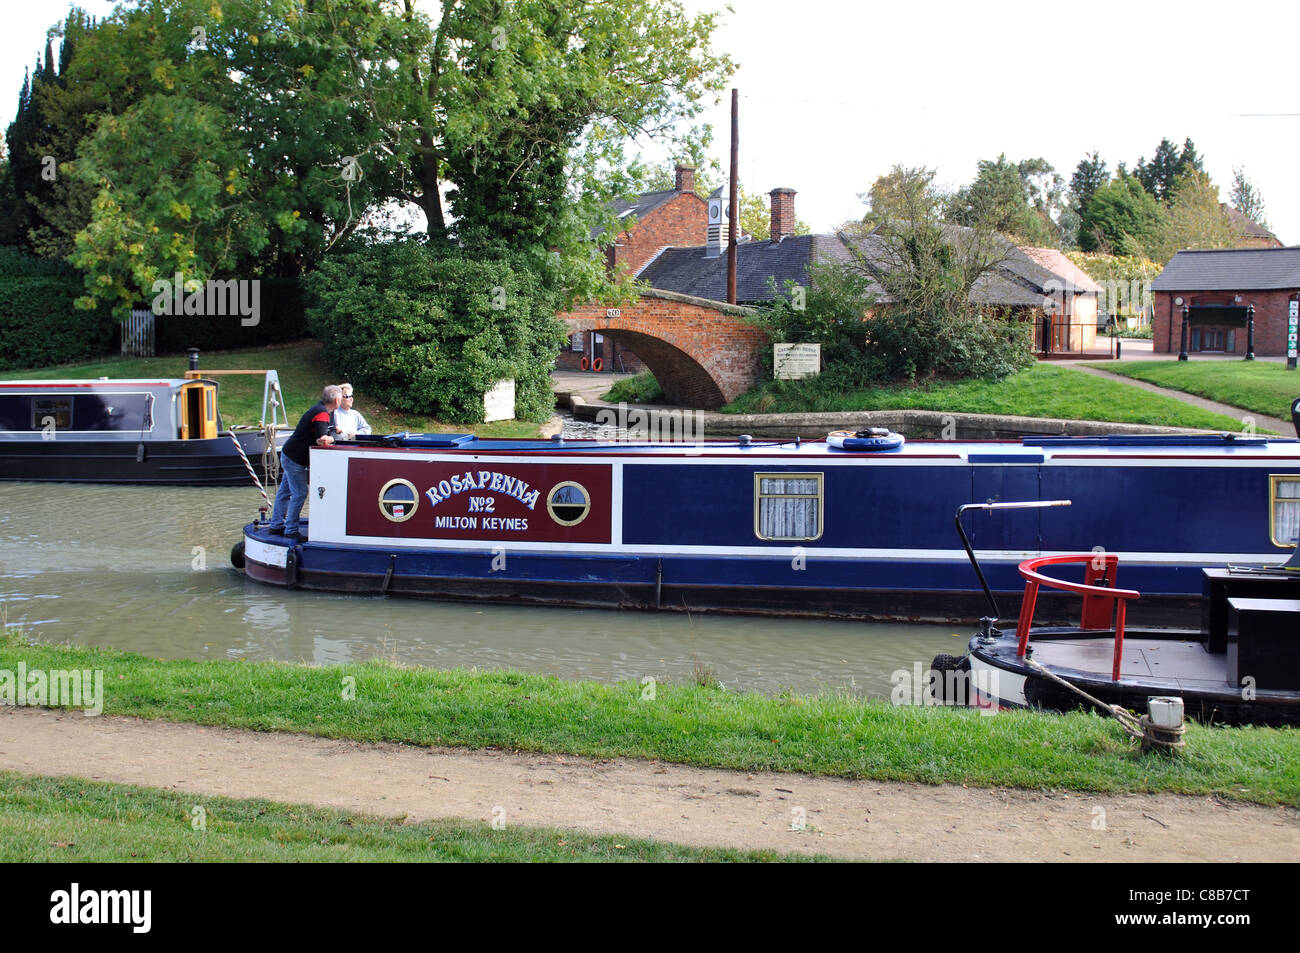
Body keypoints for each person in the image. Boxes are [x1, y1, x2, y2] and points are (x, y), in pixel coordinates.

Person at [265, 385, 342, 542]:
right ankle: (291, 530)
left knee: (285, 491)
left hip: (290, 454)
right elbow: (323, 440)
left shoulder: (320, 409)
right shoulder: (321, 413)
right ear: (336, 400)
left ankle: (276, 525)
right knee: (300, 493)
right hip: (295, 459)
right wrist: (333, 438)